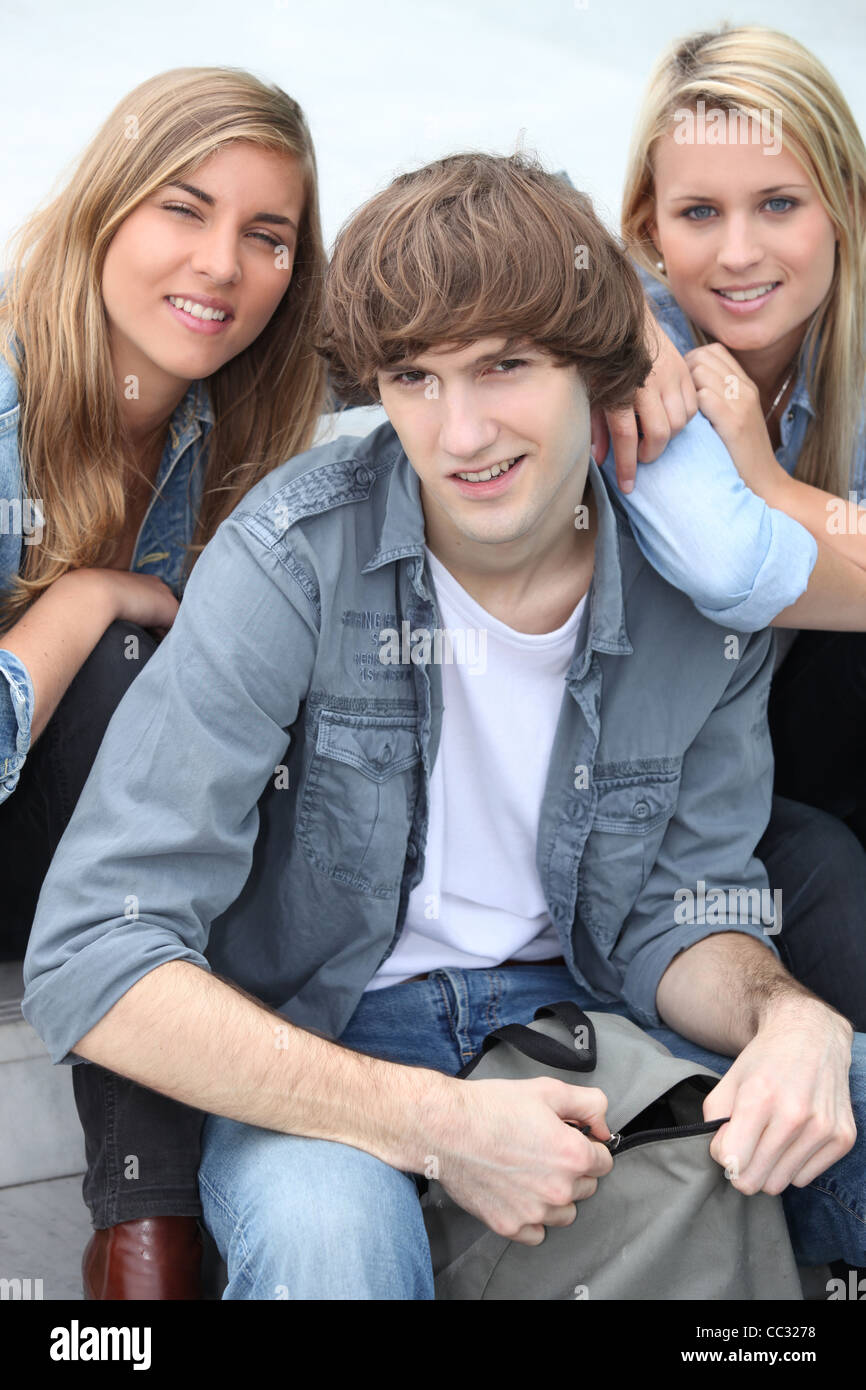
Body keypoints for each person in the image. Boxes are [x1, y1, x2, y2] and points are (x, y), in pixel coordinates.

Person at [20, 151, 864, 1299]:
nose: (458, 433)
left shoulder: (687, 594)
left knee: (839, 1087)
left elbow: (674, 912)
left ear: (596, 372)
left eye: (504, 367)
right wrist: (434, 1122)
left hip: (574, 1018)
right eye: (414, 377)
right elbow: (92, 951)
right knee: (332, 1249)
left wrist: (787, 1014)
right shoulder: (293, 554)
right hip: (324, 1046)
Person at [0, 65, 328, 1296]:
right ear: (106, 211)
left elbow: (454, 323)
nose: (223, 268)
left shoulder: (235, 424)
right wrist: (83, 602)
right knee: (134, 664)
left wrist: (644, 351)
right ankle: (148, 1233)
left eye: (267, 235)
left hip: (85, 875)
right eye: (183, 210)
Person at [578, 23, 866, 1029]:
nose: (737, 252)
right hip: (676, 799)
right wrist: (613, 300)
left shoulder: (848, 363)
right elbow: (722, 563)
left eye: (778, 204)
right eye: (698, 212)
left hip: (806, 761)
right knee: (824, 873)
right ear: (648, 227)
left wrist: (770, 481)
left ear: (844, 207)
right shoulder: (633, 341)